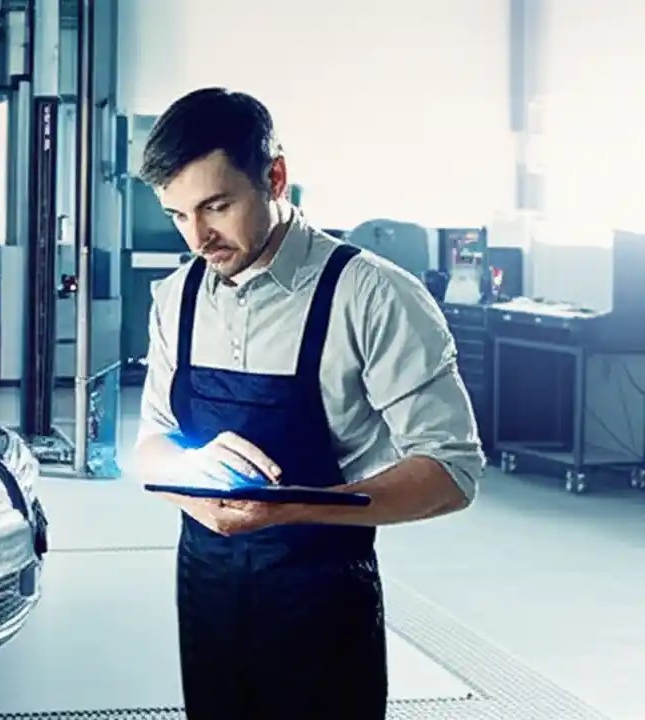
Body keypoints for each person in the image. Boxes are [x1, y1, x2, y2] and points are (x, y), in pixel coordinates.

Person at [133, 87, 485, 719]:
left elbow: (451, 470)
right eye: (178, 215)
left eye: (216, 205)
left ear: (276, 176)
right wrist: (194, 483)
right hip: (206, 590)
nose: (199, 237)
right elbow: (152, 444)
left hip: (321, 602)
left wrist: (290, 509)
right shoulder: (176, 298)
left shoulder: (372, 296)